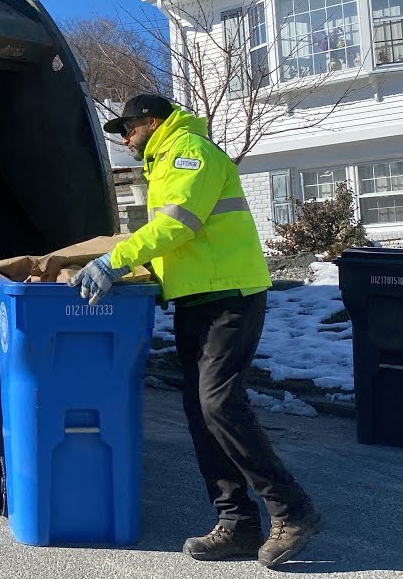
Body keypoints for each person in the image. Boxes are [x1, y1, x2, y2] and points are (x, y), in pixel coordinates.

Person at [70, 92, 320, 567]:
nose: (124, 137)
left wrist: (116, 261)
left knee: (219, 403)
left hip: (231, 297)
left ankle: (293, 509)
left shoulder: (190, 152)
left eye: (129, 127)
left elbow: (176, 226)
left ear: (154, 121)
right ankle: (238, 524)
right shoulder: (161, 165)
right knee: (201, 412)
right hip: (196, 299)